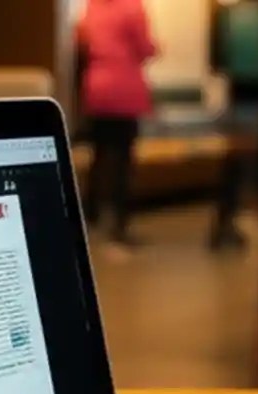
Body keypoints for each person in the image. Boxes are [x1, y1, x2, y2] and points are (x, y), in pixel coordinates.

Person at [77, 0, 158, 245]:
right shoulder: (132, 7)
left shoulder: (92, 7)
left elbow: (82, 40)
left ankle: (90, 217)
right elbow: (144, 48)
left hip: (96, 87)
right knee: (124, 159)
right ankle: (120, 225)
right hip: (123, 87)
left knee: (99, 155)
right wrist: (155, 48)